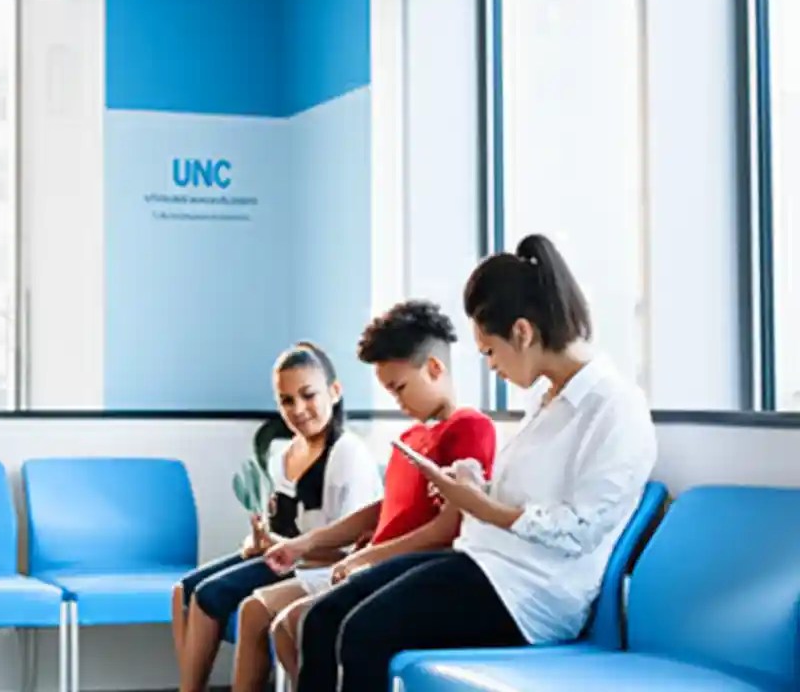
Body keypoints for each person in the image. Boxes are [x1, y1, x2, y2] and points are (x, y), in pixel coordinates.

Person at [294, 233, 658, 692]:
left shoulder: (615, 408)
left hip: (530, 595)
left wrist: (479, 505)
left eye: (489, 350)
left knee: (363, 634)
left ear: (522, 332)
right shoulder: (546, 401)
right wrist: (471, 485)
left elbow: (579, 531)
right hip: (482, 561)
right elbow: (519, 500)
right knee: (323, 617)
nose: (490, 366)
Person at [257, 301, 497, 689]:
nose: (398, 402)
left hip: (411, 571)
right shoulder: (410, 437)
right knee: (288, 626)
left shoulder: (469, 427)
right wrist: (308, 543)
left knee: (308, 621)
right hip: (374, 567)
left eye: (400, 388)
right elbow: (385, 509)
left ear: (434, 368)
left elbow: (449, 527)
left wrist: (367, 557)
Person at [170, 341, 380, 692]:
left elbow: (346, 549)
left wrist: (283, 546)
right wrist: (259, 541)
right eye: (286, 400)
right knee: (183, 591)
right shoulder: (285, 454)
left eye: (308, 395)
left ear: (334, 391)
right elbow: (282, 529)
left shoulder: (347, 455)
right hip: (289, 556)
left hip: (320, 564)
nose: (298, 409)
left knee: (209, 596)